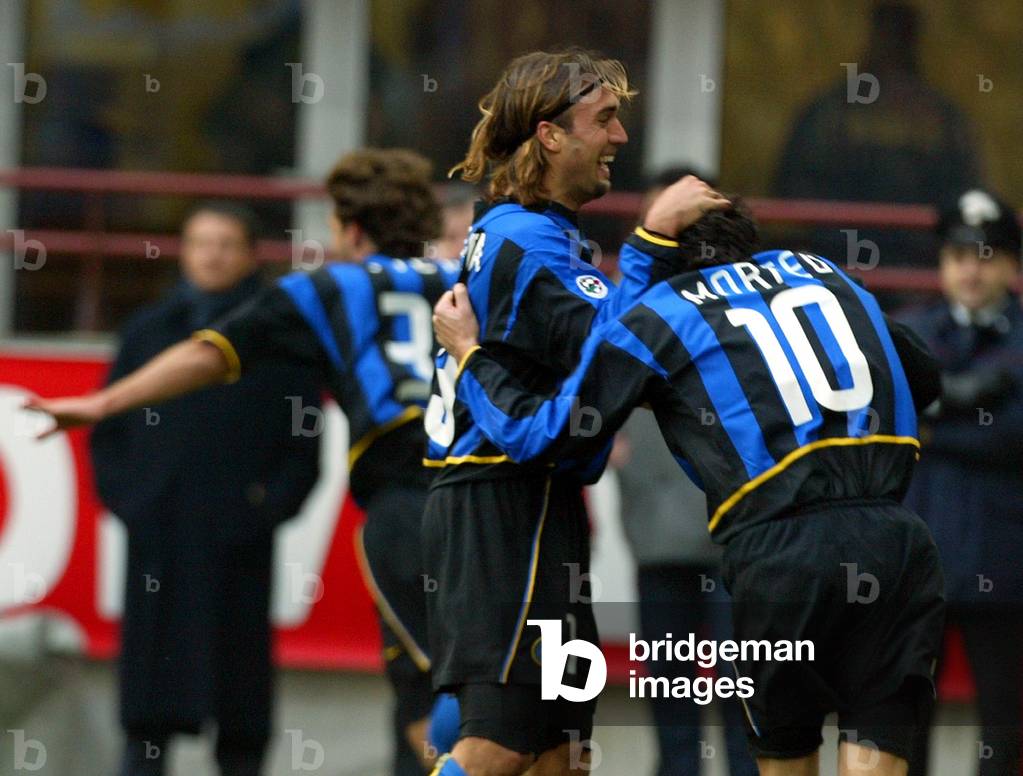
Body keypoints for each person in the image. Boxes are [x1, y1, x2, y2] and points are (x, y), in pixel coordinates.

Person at [433, 202, 946, 776]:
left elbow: (544, 435)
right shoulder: (824, 273)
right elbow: (925, 377)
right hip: (897, 542)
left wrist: (470, 358)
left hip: (781, 549)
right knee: (878, 751)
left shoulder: (664, 310)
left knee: (786, 754)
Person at [26, 149, 460, 775]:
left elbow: (211, 354)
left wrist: (101, 404)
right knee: (518, 699)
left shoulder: (322, 291)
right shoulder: (469, 281)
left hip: (407, 508)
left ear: (350, 229)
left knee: (428, 703)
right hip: (502, 496)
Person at [421, 48, 729, 776]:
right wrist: (652, 241)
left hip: (538, 502)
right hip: (502, 506)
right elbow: (619, 349)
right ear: (550, 135)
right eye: (605, 119)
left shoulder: (532, 232)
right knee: (501, 742)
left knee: (563, 748)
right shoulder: (524, 240)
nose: (619, 136)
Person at [87, 201, 321, 776]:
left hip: (238, 546)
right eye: (200, 243)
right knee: (148, 708)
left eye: (225, 243)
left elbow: (304, 443)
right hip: (158, 542)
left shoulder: (280, 339)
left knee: (239, 704)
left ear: (251, 255)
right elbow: (108, 429)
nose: (212, 256)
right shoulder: (148, 332)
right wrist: (133, 503)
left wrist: (262, 512)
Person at [612, 166, 756, 776]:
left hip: (736, 542)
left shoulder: (740, 306)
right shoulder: (626, 306)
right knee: (672, 694)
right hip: (659, 541)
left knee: (744, 695)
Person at [899, 189, 1023, 776]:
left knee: (1002, 717)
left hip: (1004, 558)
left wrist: (932, 415)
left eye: (987, 255)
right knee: (904, 717)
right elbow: (885, 422)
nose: (972, 270)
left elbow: (1013, 436)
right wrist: (975, 401)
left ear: (1012, 264)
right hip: (919, 557)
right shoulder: (909, 332)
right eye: (958, 256)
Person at [774, 1, 981, 267]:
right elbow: (794, 184)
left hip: (916, 261)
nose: (891, 46)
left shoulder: (941, 119)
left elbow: (964, 192)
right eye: (885, 34)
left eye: (899, 36)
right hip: (835, 252)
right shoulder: (831, 112)